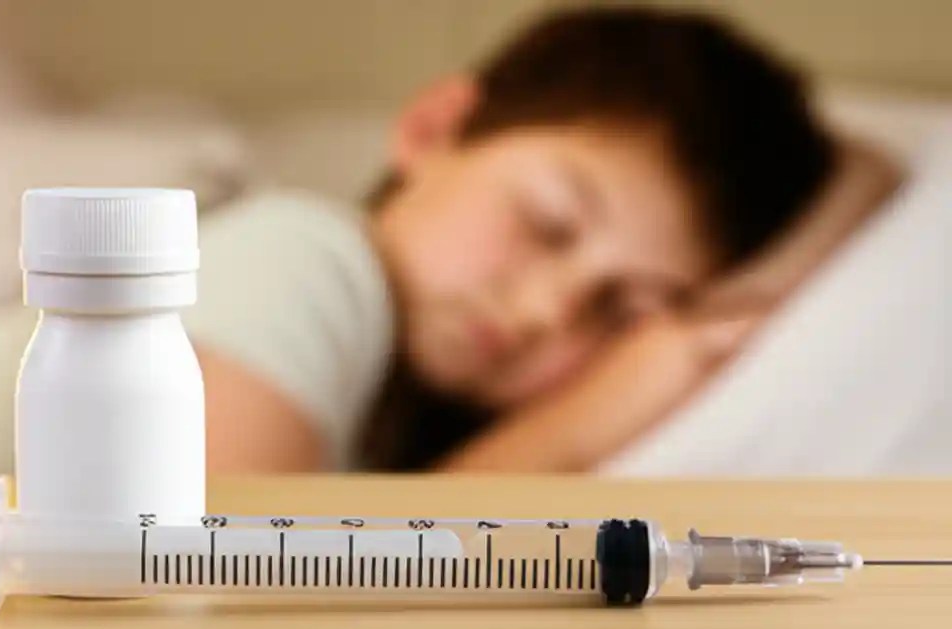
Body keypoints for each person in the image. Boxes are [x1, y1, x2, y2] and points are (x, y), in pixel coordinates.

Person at [187, 6, 899, 473]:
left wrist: (675, 343)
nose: (552, 313)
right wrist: (582, 423)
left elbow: (861, 182)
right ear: (436, 128)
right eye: (551, 225)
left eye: (619, 308)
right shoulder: (303, 259)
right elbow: (227, 585)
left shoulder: (399, 423)